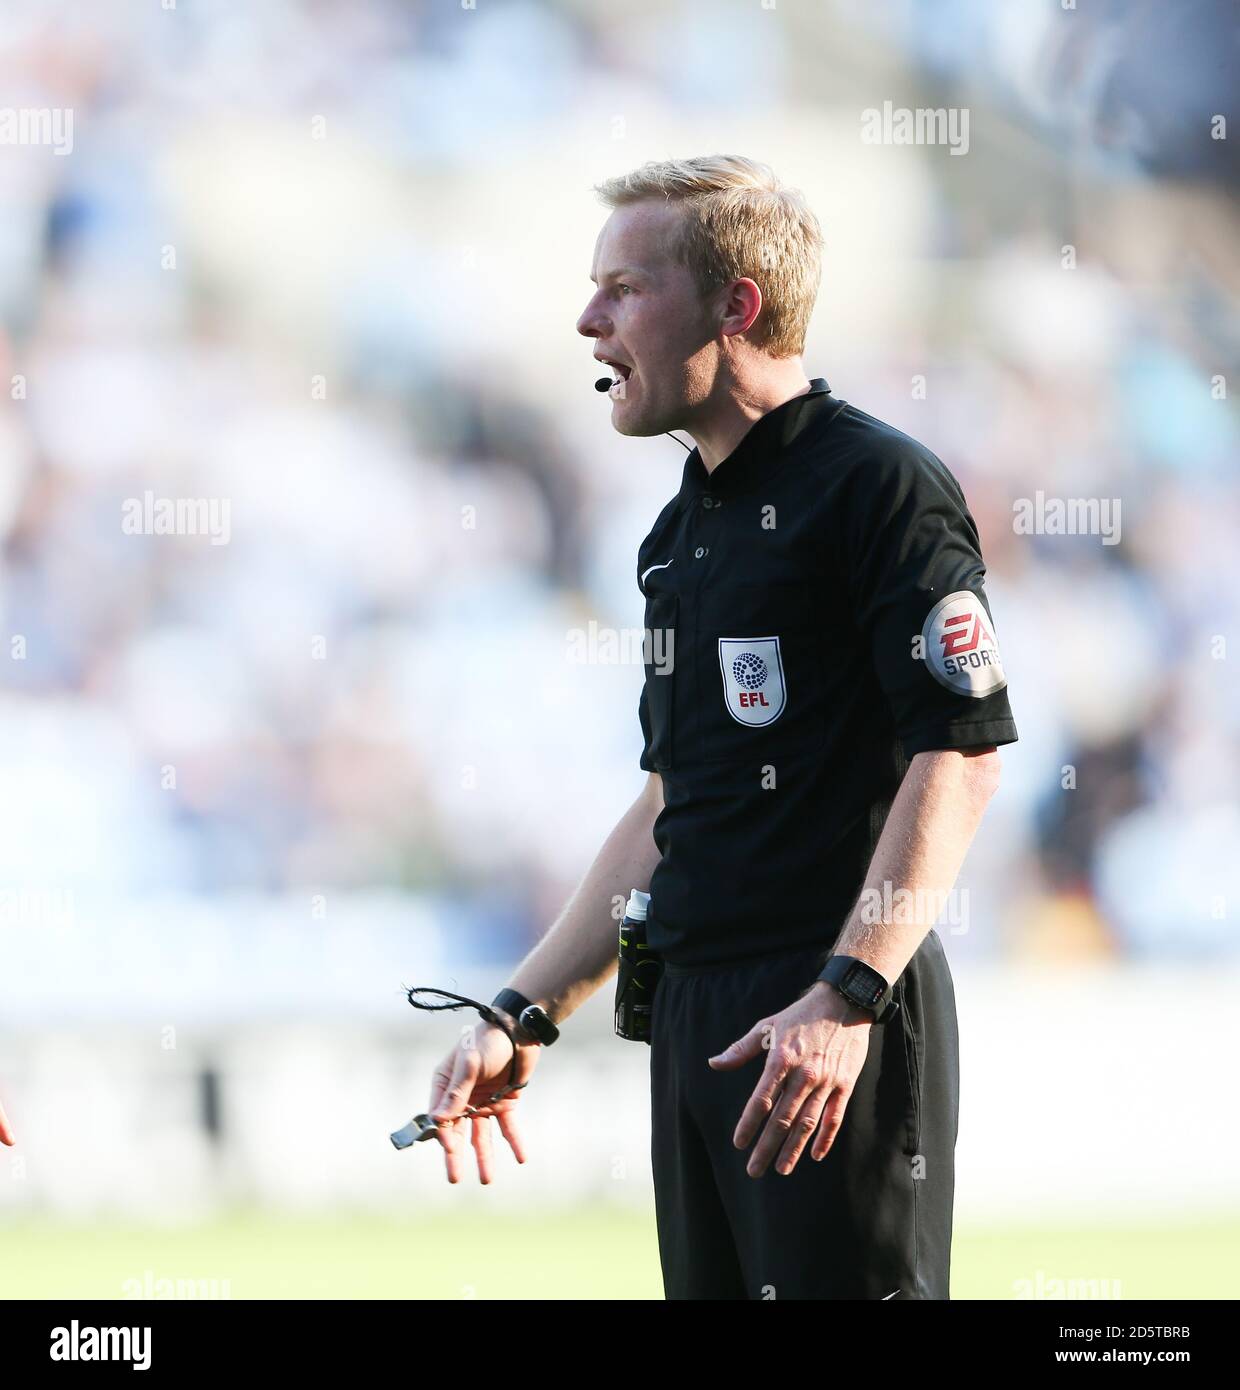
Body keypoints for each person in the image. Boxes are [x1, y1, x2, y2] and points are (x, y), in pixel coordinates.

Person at [425, 155, 1017, 1299]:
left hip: (827, 1005)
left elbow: (963, 750)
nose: (587, 320)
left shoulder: (878, 486)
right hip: (700, 1016)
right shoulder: (674, 532)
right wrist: (520, 1013)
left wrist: (848, 996)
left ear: (735, 306)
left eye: (623, 289)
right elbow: (669, 804)